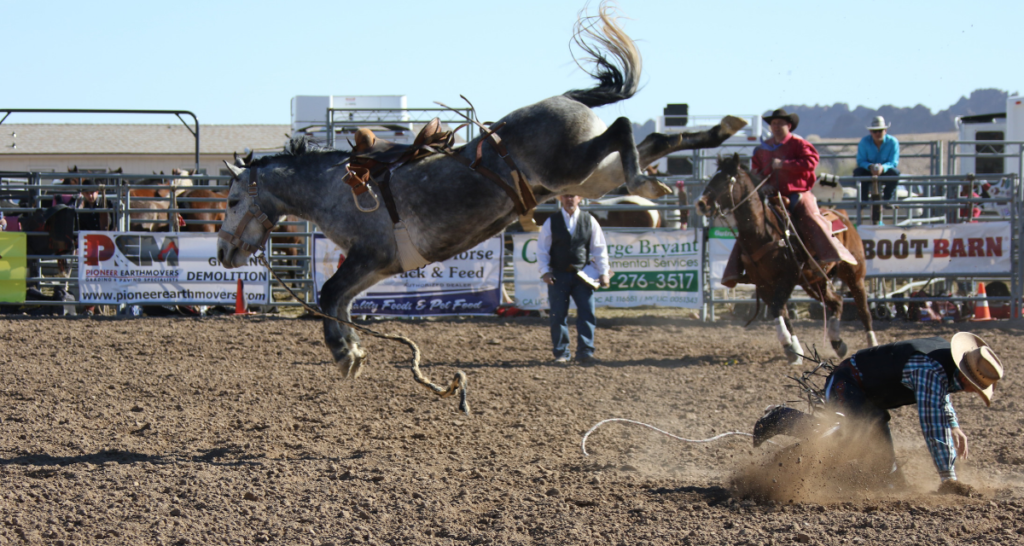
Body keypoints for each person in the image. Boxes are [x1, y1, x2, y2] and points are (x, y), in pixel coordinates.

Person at [754, 332, 1004, 494]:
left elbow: (940, 395)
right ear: (965, 375)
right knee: (843, 438)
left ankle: (824, 478)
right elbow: (931, 420)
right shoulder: (929, 369)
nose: (974, 391)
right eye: (977, 385)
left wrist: (954, 424)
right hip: (848, 384)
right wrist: (948, 477)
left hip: (870, 401)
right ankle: (781, 419)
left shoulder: (943, 359)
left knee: (886, 474)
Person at [721, 108, 856, 288]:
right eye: (773, 123)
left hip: (797, 192)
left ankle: (825, 255)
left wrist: (784, 164)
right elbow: (755, 172)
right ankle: (737, 270)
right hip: (770, 193)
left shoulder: (799, 144)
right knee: (751, 224)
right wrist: (763, 182)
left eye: (780, 123)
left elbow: (811, 162)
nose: (776, 126)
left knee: (809, 216)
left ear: (789, 126)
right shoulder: (763, 149)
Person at [537, 194, 611, 363]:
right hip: (558, 274)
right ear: (560, 198)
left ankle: (585, 352)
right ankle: (561, 353)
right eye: (566, 196)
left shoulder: (589, 220)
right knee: (558, 315)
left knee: (587, 313)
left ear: (579, 198)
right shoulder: (551, 221)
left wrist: (604, 272)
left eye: (573, 196)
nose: (569, 199)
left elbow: (599, 248)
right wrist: (545, 271)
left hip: (583, 275)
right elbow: (542, 248)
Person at [855, 116, 901, 202]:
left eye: (880, 131)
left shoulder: (893, 142)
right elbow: (861, 160)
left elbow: (893, 162)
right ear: (870, 132)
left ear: (885, 131)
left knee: (895, 173)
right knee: (858, 172)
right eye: (874, 131)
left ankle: (887, 200)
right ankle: (863, 201)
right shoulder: (864, 142)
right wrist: (870, 166)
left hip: (885, 171)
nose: (877, 133)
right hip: (868, 170)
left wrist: (882, 168)